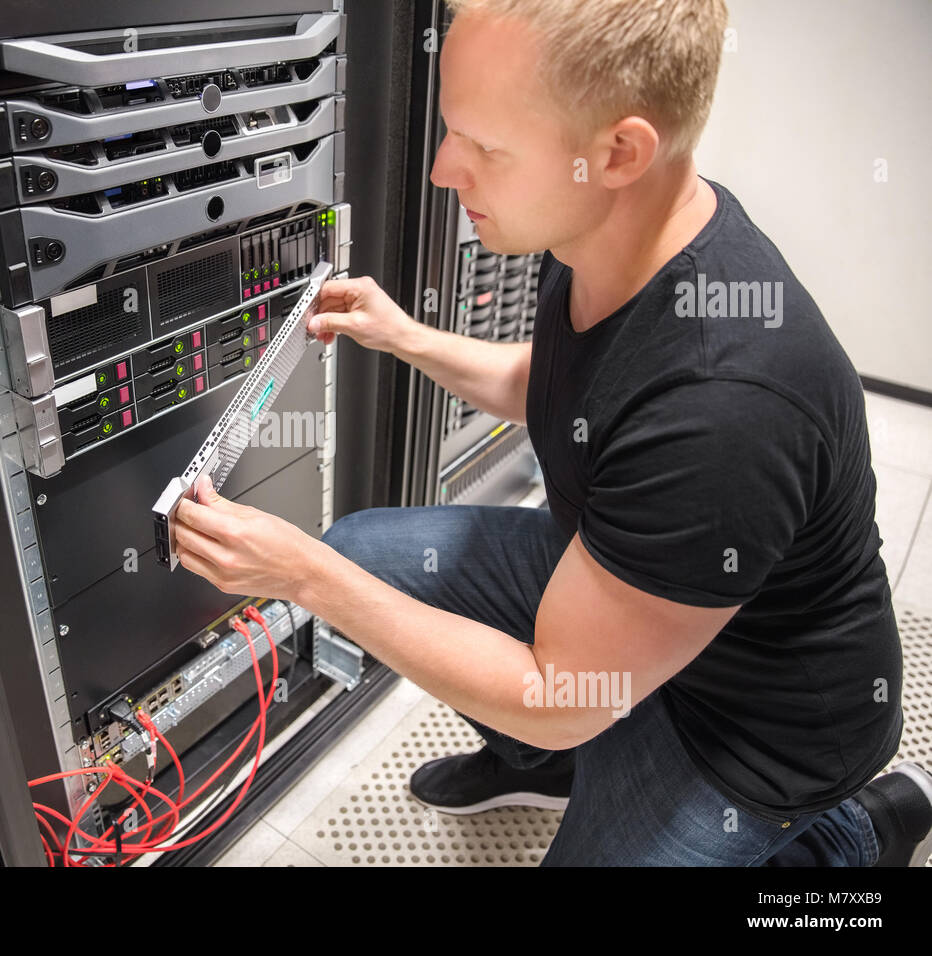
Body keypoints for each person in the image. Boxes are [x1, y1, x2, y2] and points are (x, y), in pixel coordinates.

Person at [171, 0, 932, 865]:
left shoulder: (726, 405)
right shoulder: (609, 233)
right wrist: (401, 334)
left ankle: (858, 835)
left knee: (347, 578)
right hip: (624, 598)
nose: (444, 171)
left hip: (750, 729)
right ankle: (548, 768)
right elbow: (570, 389)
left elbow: (558, 690)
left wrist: (298, 575)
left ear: (618, 153)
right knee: (369, 554)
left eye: (485, 147)